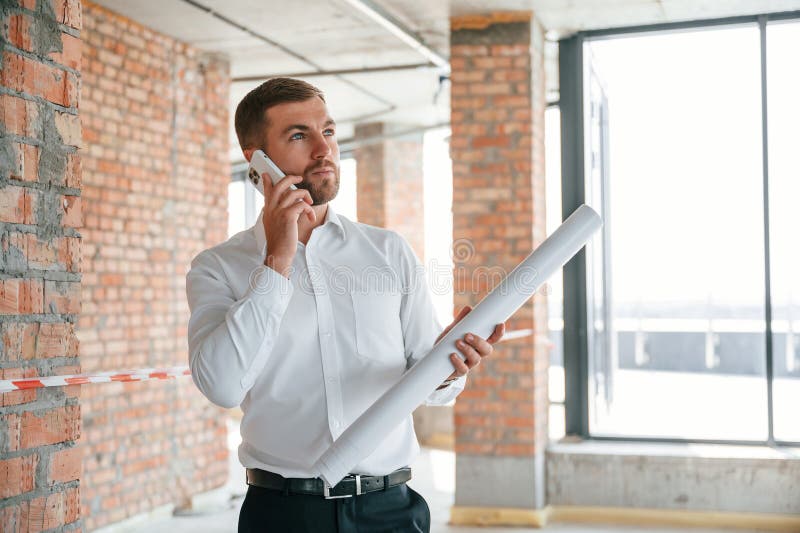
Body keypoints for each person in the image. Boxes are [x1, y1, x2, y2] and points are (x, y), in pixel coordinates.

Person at [186, 78, 505, 532]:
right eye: (299, 135)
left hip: (391, 510)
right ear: (256, 161)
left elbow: (430, 384)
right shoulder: (218, 268)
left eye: (329, 132)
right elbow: (221, 386)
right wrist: (277, 260)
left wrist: (451, 367)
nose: (324, 149)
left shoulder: (389, 252)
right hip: (283, 514)